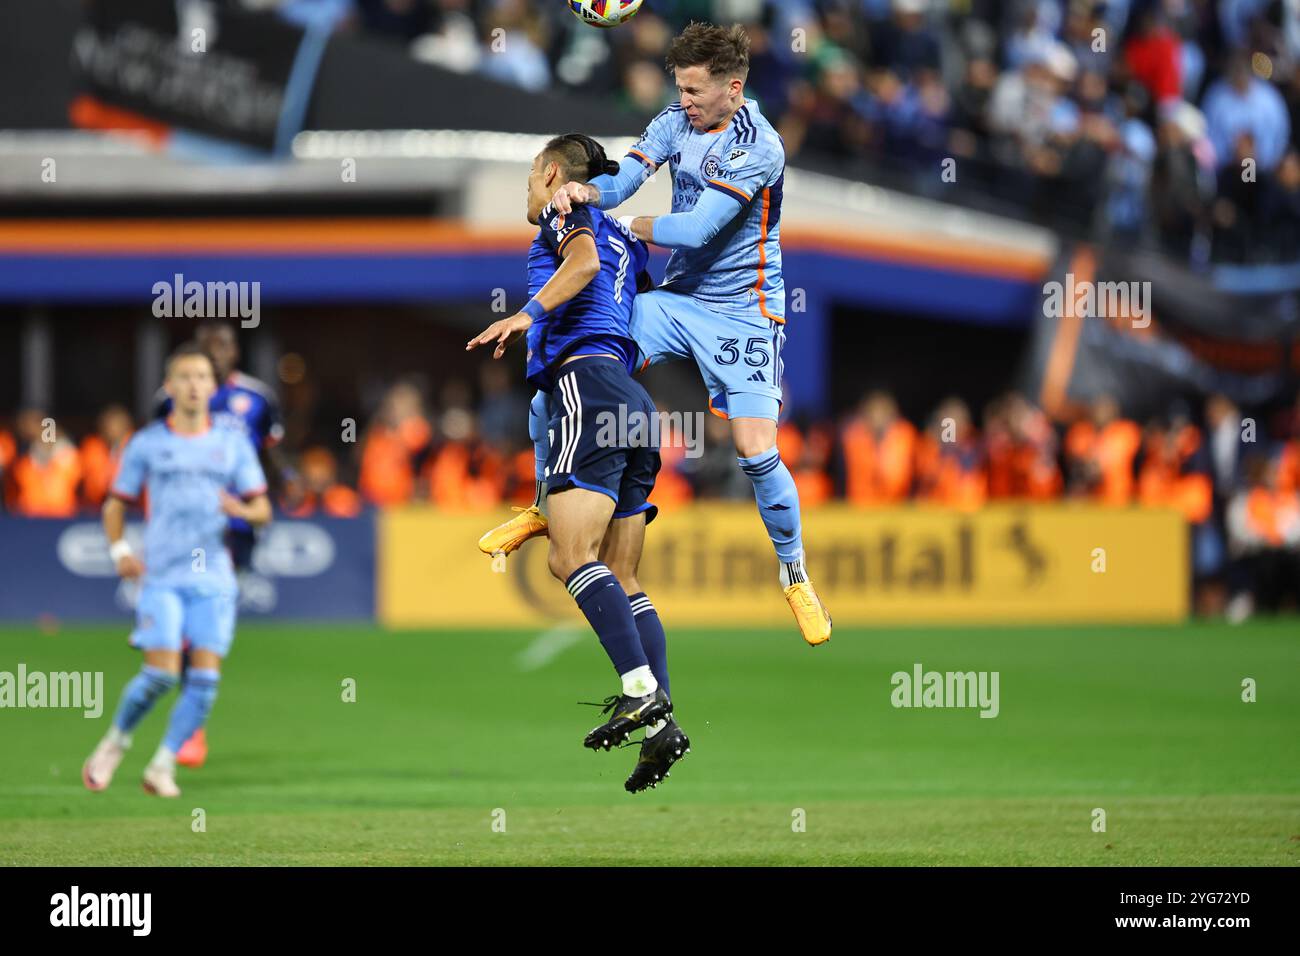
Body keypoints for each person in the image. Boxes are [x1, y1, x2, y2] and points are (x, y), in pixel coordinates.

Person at [480, 22, 832, 646]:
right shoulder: (676, 120)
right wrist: (591, 189)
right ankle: (544, 501)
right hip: (676, 300)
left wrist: (615, 217)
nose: (685, 101)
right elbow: (626, 178)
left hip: (744, 312)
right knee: (572, 358)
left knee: (755, 450)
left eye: (695, 91)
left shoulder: (761, 146)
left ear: (734, 87)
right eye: (680, 88)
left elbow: (695, 230)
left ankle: (795, 575)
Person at [466, 133, 688, 793]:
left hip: (583, 388)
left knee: (568, 558)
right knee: (621, 573)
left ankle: (641, 689)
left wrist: (524, 316)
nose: (530, 190)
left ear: (552, 171)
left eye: (532, 176)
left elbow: (583, 264)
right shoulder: (630, 239)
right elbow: (633, 297)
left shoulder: (566, 209)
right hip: (632, 400)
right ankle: (661, 724)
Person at [83, 343, 270, 798]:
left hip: (213, 579)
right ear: (169, 386)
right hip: (162, 576)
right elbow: (115, 504)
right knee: (162, 674)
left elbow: (263, 508)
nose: (192, 385)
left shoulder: (232, 444)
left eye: (201, 377)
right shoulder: (147, 443)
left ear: (213, 386)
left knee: (205, 682)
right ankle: (116, 741)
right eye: (184, 377)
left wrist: (241, 509)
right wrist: (120, 551)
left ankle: (162, 764)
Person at [154, 320, 291, 769]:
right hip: (188, 527)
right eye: (210, 345)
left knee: (208, 617)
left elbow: (268, 452)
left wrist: (279, 487)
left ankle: (191, 714)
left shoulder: (256, 398)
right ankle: (192, 724)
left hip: (238, 528)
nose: (219, 351)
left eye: (227, 344)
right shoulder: (170, 398)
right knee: (197, 617)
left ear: (236, 351)